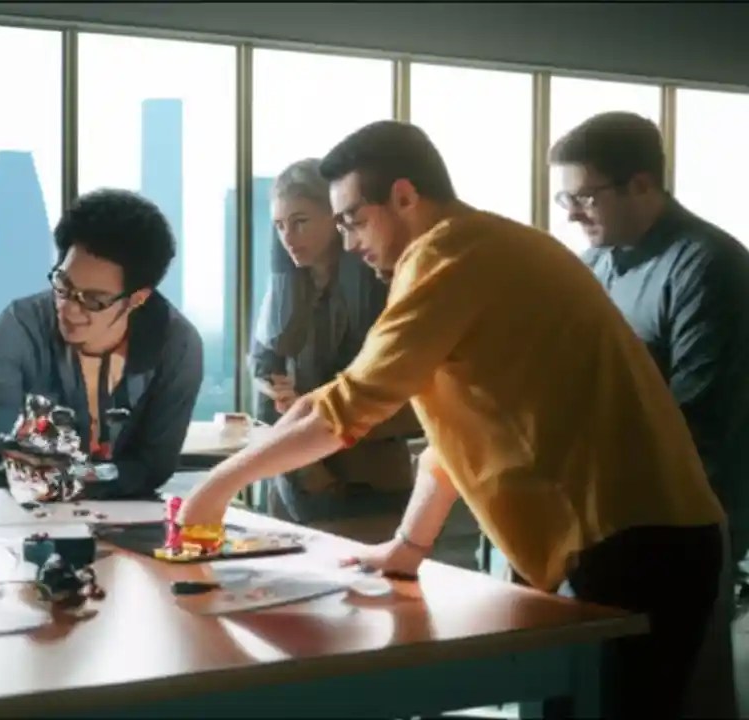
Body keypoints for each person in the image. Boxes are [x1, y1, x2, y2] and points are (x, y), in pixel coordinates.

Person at [178, 120, 726, 718]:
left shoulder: (448, 254)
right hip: (631, 539)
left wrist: (212, 493)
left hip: (636, 540)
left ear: (405, 197)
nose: (350, 239)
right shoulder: (478, 248)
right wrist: (407, 547)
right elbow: (454, 436)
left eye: (352, 220)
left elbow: (343, 411)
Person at [550, 111, 749, 718]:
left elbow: (699, 418)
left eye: (584, 196)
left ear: (643, 184)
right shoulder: (595, 266)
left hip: (684, 517)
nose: (572, 213)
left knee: (668, 692)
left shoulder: (708, 265)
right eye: (564, 198)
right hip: (605, 517)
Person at [0, 188, 203, 499]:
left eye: (93, 300)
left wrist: (72, 473)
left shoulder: (177, 345)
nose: (69, 309)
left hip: (125, 513)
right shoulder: (20, 326)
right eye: (63, 285)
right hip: (22, 508)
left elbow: (153, 466)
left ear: (138, 298)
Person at [251, 158, 420, 539]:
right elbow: (263, 370)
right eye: (279, 225)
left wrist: (313, 413)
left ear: (334, 217)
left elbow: (400, 396)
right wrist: (277, 391)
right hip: (295, 485)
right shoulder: (286, 292)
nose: (289, 237)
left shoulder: (380, 286)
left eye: (300, 221)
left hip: (366, 483)